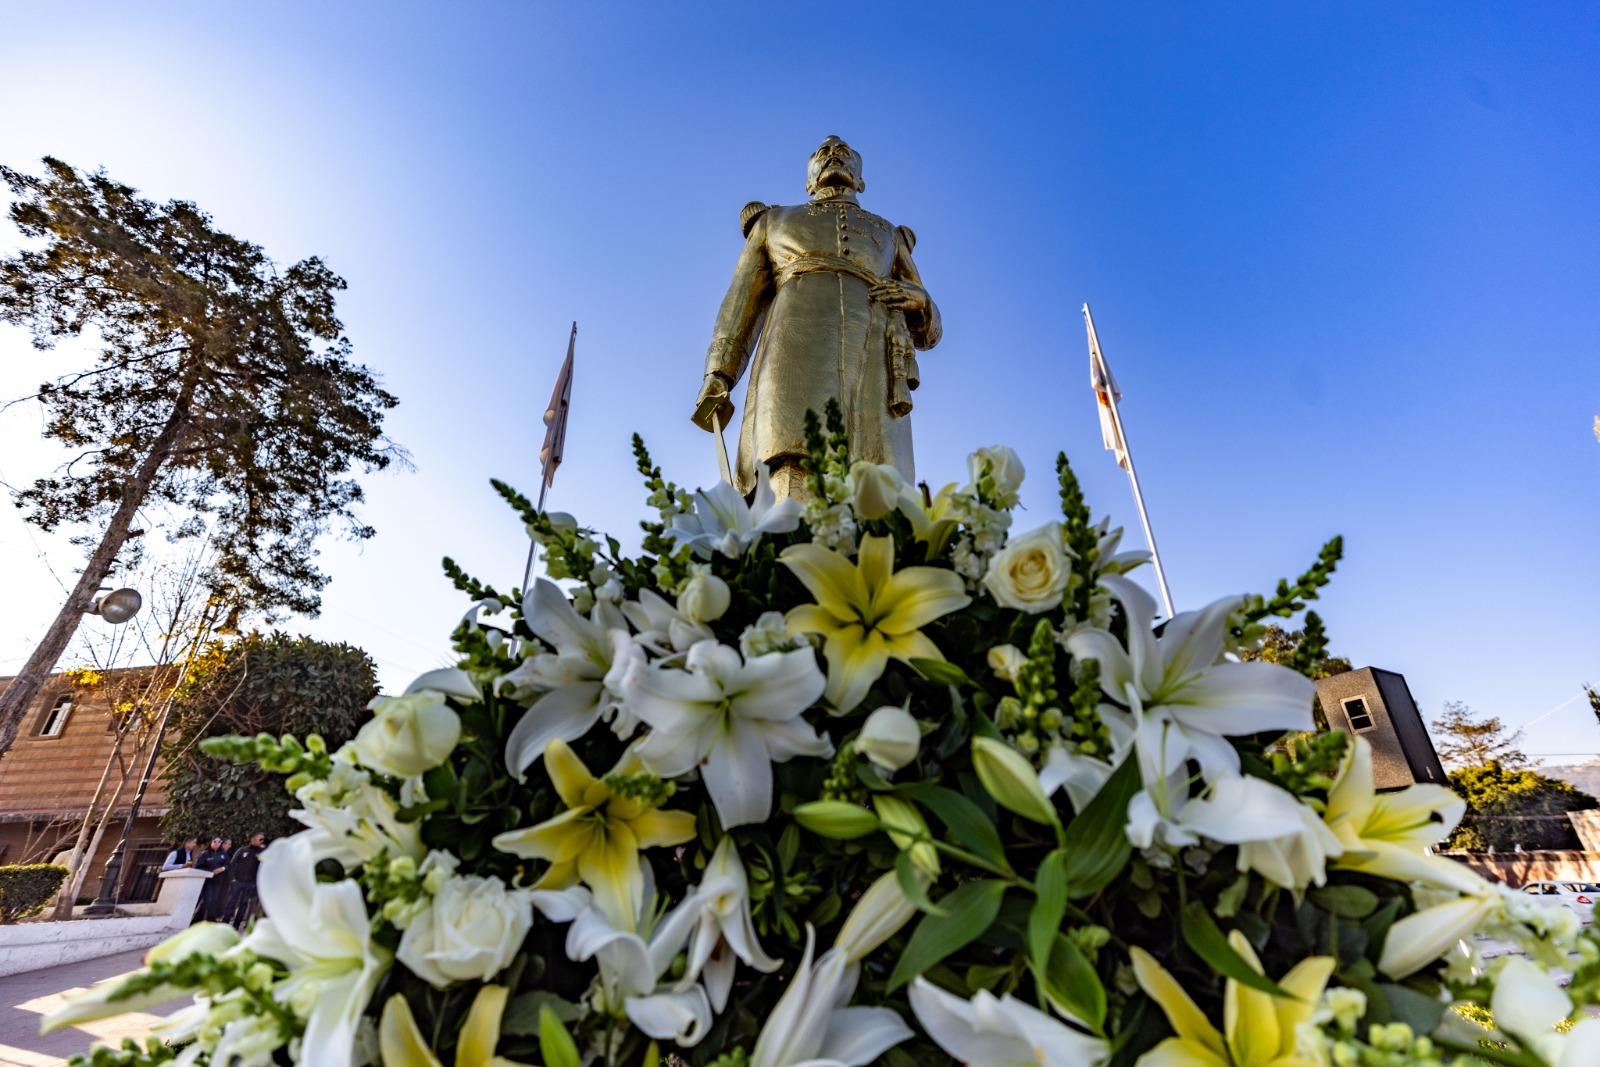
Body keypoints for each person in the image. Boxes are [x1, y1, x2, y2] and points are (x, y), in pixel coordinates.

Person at [694, 136, 942, 500]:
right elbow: (740, 301)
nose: (833, 154)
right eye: (822, 154)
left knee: (877, 477)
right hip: (794, 347)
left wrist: (921, 302)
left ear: (861, 181)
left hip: (872, 353)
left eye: (844, 154)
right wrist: (719, 373)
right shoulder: (774, 221)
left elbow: (927, 332)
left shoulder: (889, 233)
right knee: (790, 457)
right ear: (808, 180)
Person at [222, 832, 266, 929]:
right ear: (253, 840)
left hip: (250, 883)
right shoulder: (242, 850)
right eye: (260, 839)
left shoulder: (262, 852)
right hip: (237, 881)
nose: (262, 841)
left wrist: (255, 882)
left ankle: (236, 925)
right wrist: (232, 879)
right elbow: (232, 865)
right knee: (231, 902)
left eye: (263, 839)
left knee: (244, 904)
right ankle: (224, 923)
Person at [193, 836, 229, 923]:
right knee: (207, 901)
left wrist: (222, 869)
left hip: (218, 880)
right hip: (207, 881)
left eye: (219, 841)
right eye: (215, 841)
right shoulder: (205, 854)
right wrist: (210, 872)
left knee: (214, 900)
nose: (217, 843)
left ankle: (211, 920)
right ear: (211, 842)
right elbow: (198, 867)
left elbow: (228, 864)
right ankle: (196, 922)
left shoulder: (223, 854)